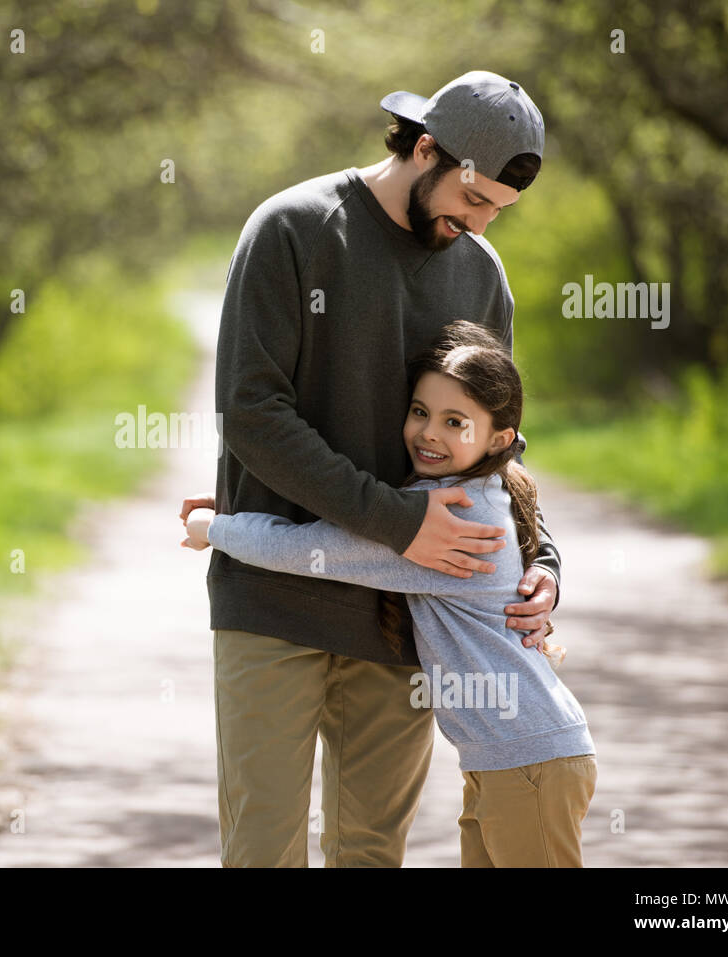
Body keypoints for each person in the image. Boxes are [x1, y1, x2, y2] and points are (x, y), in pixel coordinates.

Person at [178, 70, 563, 867]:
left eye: (498, 208)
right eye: (475, 197)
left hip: (401, 617)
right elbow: (253, 414)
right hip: (273, 604)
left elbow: (493, 450)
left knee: (369, 853)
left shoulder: (480, 273)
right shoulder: (292, 228)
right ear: (426, 147)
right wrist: (399, 521)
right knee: (263, 851)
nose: (484, 220)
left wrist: (543, 560)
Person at [183, 321, 596, 867]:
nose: (429, 433)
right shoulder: (474, 490)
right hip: (512, 759)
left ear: (500, 439)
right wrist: (245, 499)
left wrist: (217, 530)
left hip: (530, 761)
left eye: (455, 422)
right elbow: (352, 515)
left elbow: (319, 549)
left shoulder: (454, 522)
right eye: (421, 412)